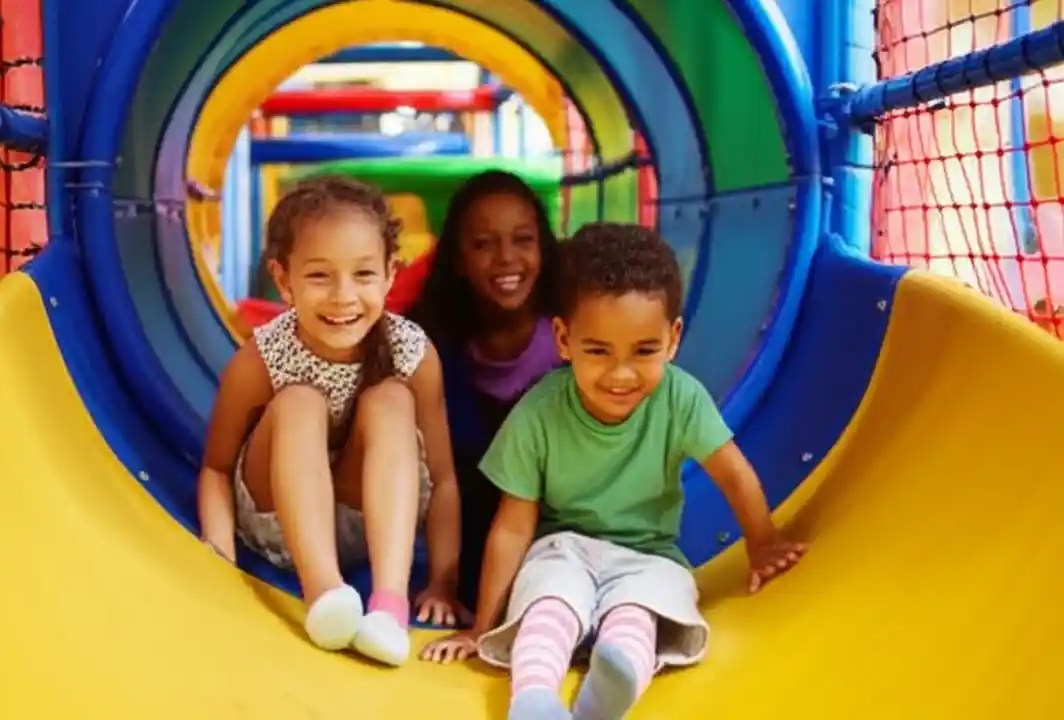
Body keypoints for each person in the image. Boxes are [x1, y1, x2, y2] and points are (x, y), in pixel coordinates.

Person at [420, 223, 807, 719]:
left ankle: (608, 690)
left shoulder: (681, 398)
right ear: (563, 339)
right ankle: (535, 700)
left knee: (640, 610)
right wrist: (481, 625)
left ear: (673, 339)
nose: (621, 375)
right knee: (548, 600)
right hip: (564, 549)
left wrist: (763, 543)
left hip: (650, 556)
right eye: (598, 351)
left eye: (644, 351)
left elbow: (732, 472)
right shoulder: (539, 413)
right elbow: (513, 526)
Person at [197, 176, 464, 667]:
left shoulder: (412, 352)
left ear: (390, 274)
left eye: (363, 275)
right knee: (300, 400)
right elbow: (216, 467)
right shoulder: (263, 357)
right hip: (281, 517)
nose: (344, 297)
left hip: (372, 520)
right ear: (283, 279)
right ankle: (325, 596)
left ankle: (388, 607)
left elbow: (444, 478)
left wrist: (443, 581)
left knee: (391, 400)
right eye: (320, 276)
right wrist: (219, 562)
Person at [408, 170, 563, 610]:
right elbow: (439, 475)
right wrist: (443, 580)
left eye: (523, 240)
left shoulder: (571, 336)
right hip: (472, 527)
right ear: (457, 259)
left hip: (559, 524)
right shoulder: (436, 343)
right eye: (483, 244)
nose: (506, 258)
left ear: (543, 249)